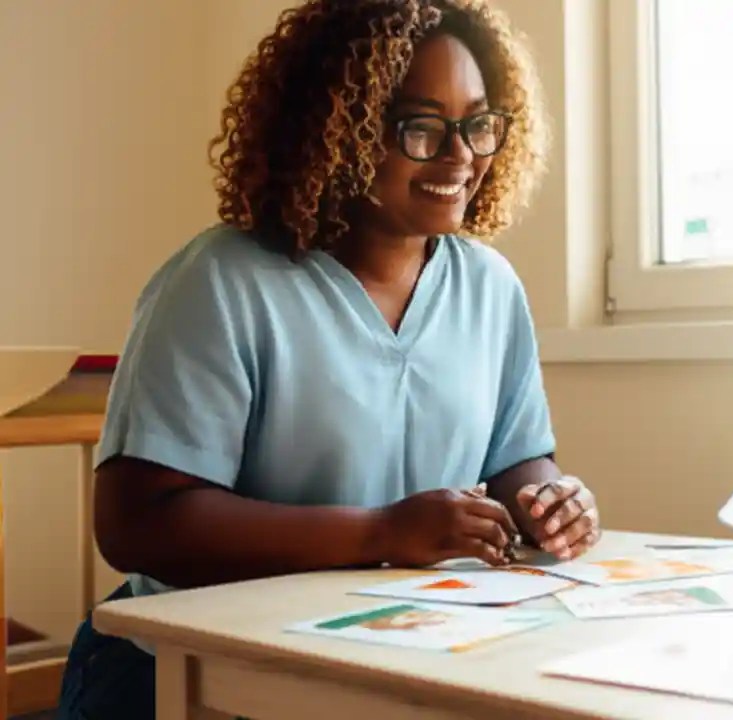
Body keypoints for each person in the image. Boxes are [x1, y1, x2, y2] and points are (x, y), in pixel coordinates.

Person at [56, 1, 601, 717]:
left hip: (383, 653)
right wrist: (382, 532)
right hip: (183, 668)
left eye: (478, 123)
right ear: (335, 131)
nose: (461, 154)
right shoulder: (220, 281)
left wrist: (548, 501)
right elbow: (138, 525)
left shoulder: (488, 286)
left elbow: (515, 460)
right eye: (420, 126)